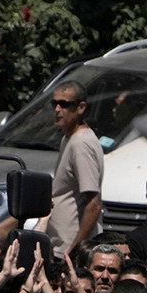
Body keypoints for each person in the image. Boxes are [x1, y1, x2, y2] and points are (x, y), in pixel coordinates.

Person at [45, 81, 103, 256]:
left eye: (64, 104)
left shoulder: (81, 144)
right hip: (60, 244)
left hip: (70, 249)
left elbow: (93, 203)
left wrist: (74, 251)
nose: (57, 109)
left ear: (80, 107)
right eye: (54, 103)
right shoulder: (69, 139)